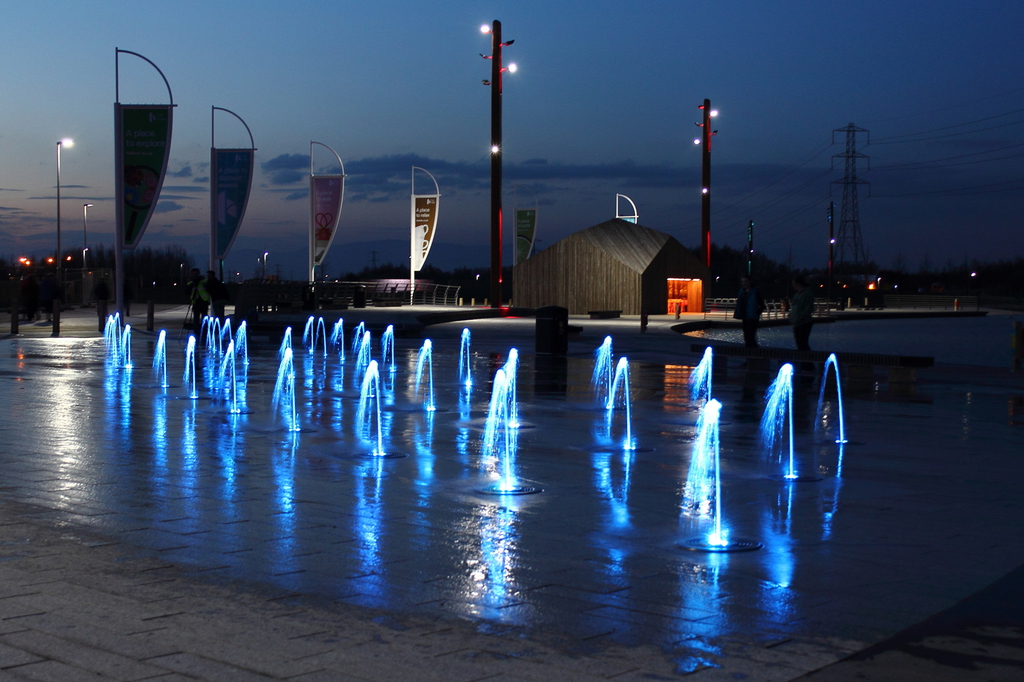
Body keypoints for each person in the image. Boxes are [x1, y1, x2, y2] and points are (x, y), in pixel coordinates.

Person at [733, 275, 766, 347]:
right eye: (742, 281)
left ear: (749, 282)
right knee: (746, 335)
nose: (744, 283)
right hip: (745, 315)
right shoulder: (742, 292)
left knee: (751, 335)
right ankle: (750, 350)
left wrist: (757, 312)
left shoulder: (755, 292)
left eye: (745, 281)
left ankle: (752, 350)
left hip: (753, 317)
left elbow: (762, 305)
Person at [789, 274, 814, 351]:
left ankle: (807, 361)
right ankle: (804, 361)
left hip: (804, 322)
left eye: (794, 284)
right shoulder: (797, 294)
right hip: (797, 322)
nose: (793, 286)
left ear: (797, 284)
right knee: (799, 344)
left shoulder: (807, 293)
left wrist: (800, 316)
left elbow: (808, 307)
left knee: (802, 343)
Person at [186, 268, 209, 337]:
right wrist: (192, 284)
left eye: (196, 274)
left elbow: (208, 287)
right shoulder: (191, 283)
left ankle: (204, 332)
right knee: (196, 319)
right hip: (196, 302)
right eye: (193, 274)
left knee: (204, 318)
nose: (195, 275)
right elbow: (187, 292)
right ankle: (197, 332)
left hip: (203, 301)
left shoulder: (203, 281)